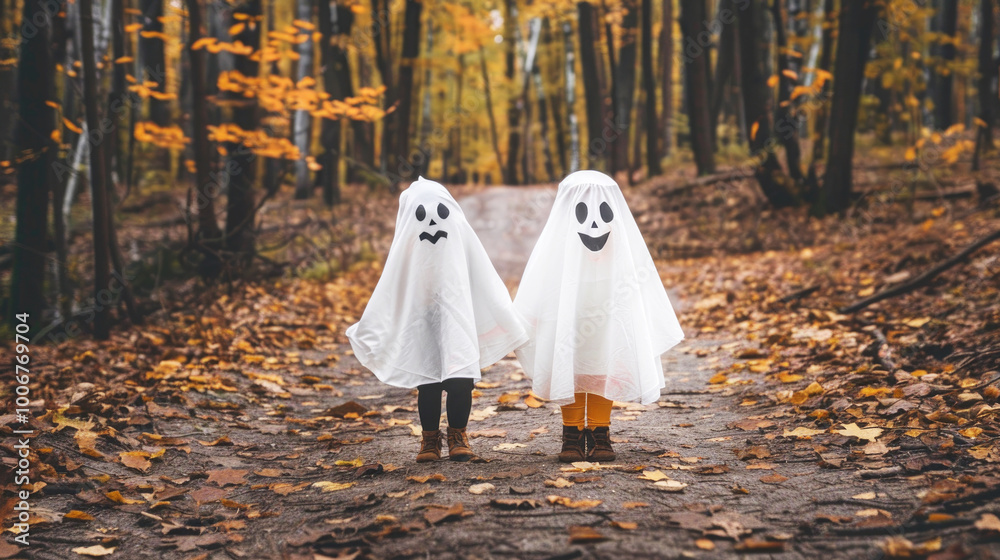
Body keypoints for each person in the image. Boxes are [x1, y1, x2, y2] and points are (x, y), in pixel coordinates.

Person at [346, 177, 527, 462]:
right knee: (427, 382)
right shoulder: (407, 240)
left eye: (440, 213)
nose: (432, 222)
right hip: (421, 317)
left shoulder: (459, 232)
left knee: (460, 380)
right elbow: (393, 285)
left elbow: (482, 276)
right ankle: (429, 439)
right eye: (422, 214)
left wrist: (502, 315)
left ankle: (458, 434)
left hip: (458, 313)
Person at [514, 170, 684, 462]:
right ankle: (572, 433)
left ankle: (599, 431)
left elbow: (638, 284)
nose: (594, 222)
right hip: (569, 318)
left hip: (607, 315)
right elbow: (542, 282)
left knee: (602, 365)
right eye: (582, 210)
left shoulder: (622, 247)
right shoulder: (557, 244)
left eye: (603, 212)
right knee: (573, 367)